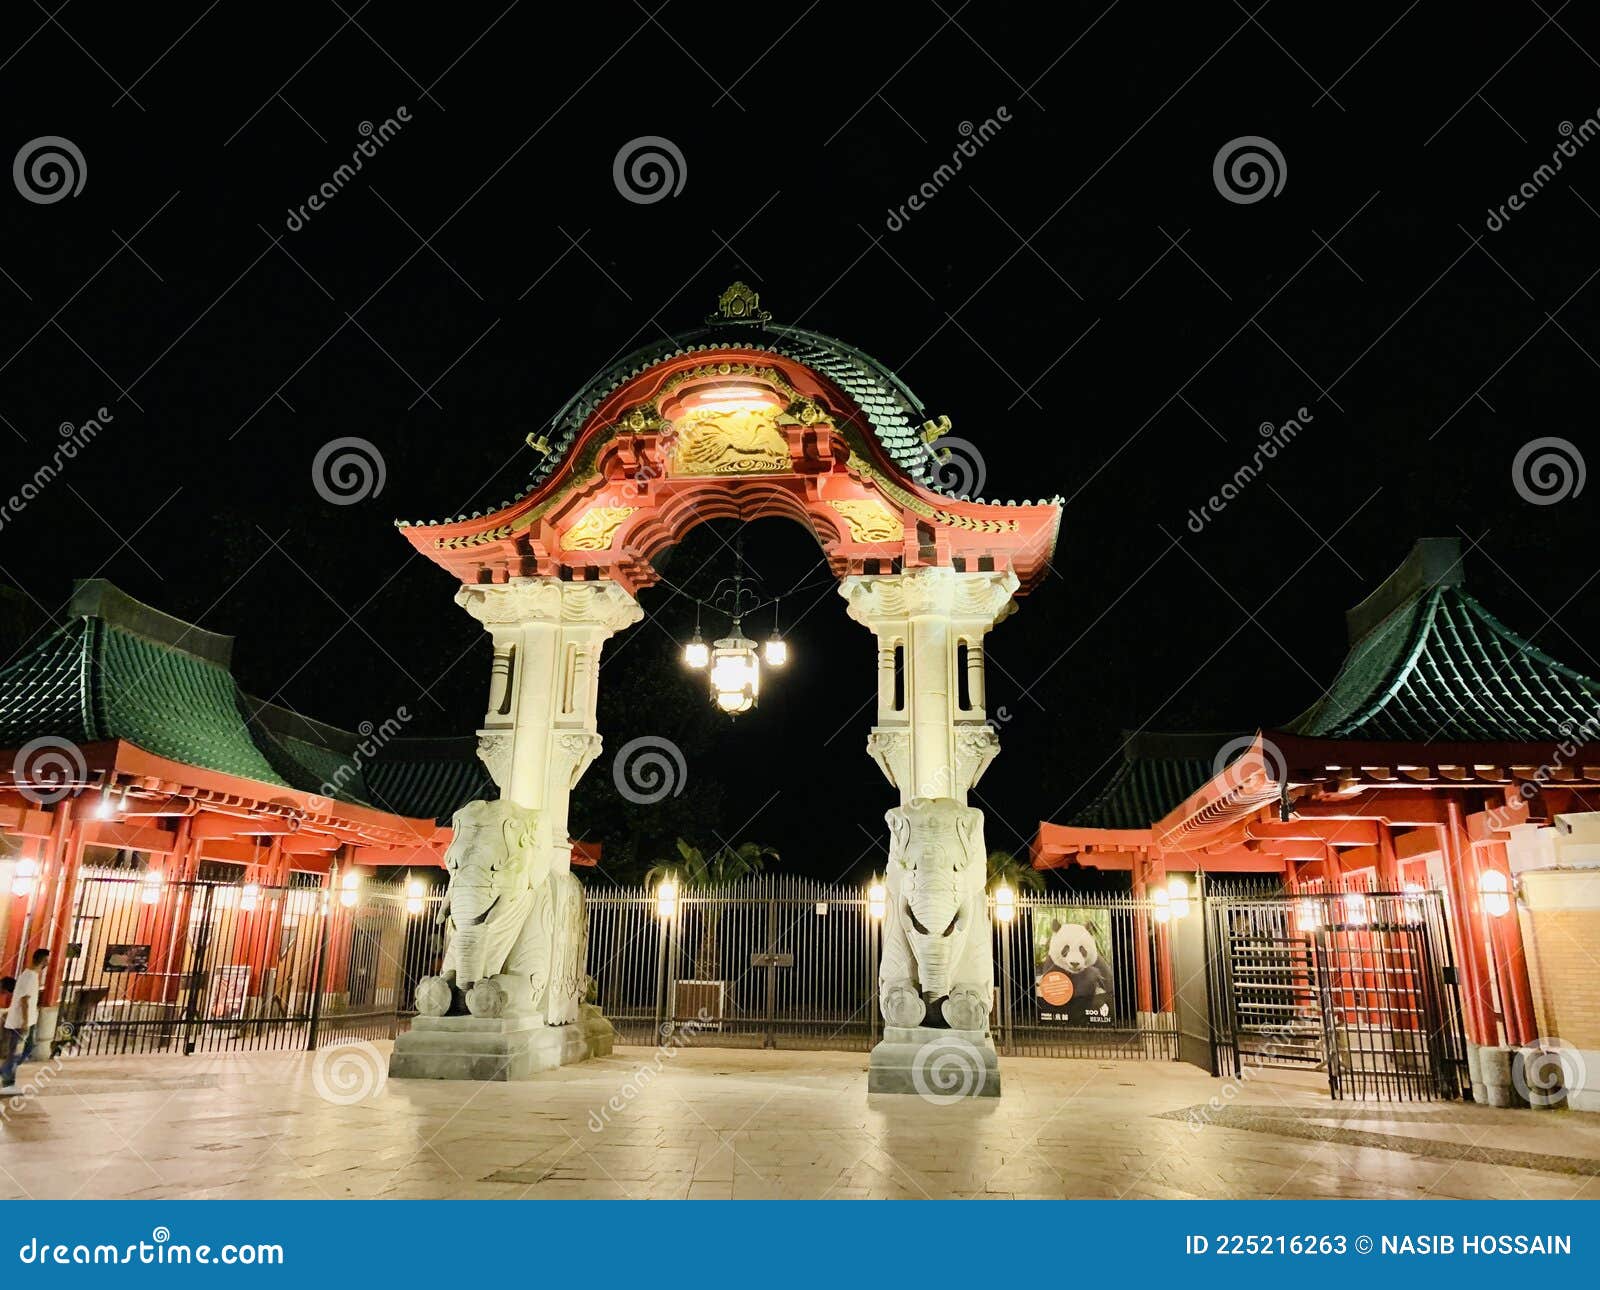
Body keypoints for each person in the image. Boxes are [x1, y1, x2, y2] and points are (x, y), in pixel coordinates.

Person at [1, 948, 48, 1091]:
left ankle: (6, 1071)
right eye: (47, 960)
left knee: (25, 1049)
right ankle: (8, 1079)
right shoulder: (29, 977)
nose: (47, 963)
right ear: (43, 961)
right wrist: (25, 1023)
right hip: (20, 1022)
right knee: (16, 1051)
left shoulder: (31, 975)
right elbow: (25, 1001)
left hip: (27, 1020)